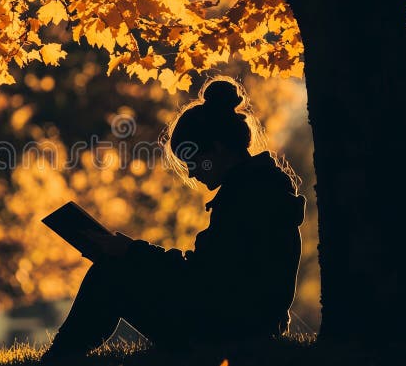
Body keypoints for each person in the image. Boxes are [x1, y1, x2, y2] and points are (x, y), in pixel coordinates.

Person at [40, 77, 306, 362]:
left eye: (193, 162)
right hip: (239, 323)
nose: (192, 173)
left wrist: (132, 252)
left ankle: (59, 357)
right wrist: (134, 253)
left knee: (111, 273)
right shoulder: (258, 187)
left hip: (227, 329)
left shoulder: (246, 197)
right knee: (116, 266)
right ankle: (61, 355)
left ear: (216, 149)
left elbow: (202, 278)